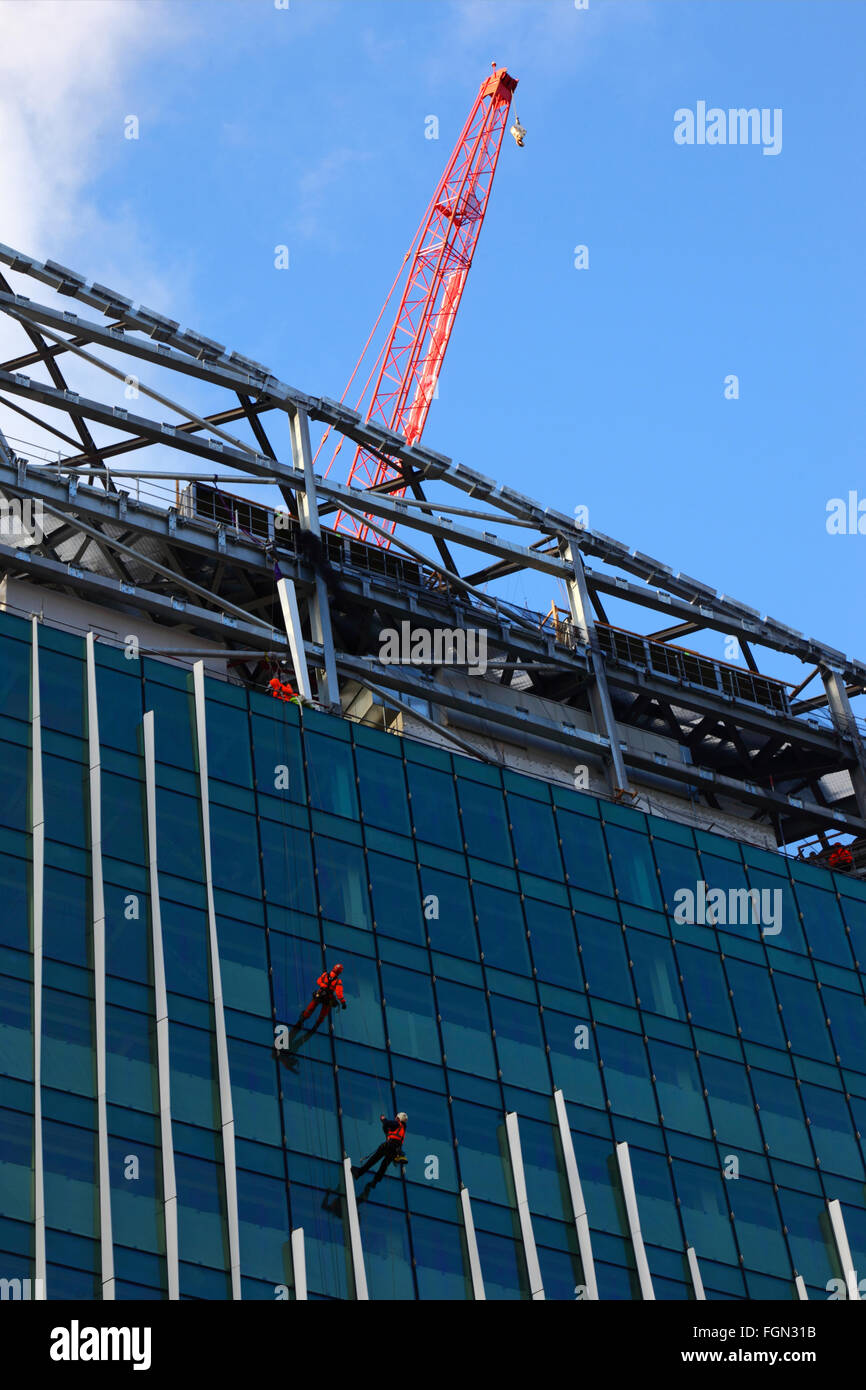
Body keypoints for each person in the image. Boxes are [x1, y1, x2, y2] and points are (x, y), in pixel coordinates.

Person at [352, 1113, 408, 1180]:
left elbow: (387, 1123)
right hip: (394, 1150)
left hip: (389, 1145)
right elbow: (387, 1130)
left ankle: (359, 1173)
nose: (395, 1119)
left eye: (397, 1118)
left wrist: (383, 1119)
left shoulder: (397, 1124)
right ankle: (375, 1180)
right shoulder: (401, 1129)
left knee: (374, 1159)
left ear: (399, 1118)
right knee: (383, 1165)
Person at [294, 963, 346, 1033]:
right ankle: (316, 1026)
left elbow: (318, 981)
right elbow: (339, 993)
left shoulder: (325, 974)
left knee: (311, 1007)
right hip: (328, 998)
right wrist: (343, 1003)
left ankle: (302, 1020)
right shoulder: (338, 981)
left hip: (320, 994)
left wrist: (323, 986)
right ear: (339, 972)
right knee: (323, 1013)